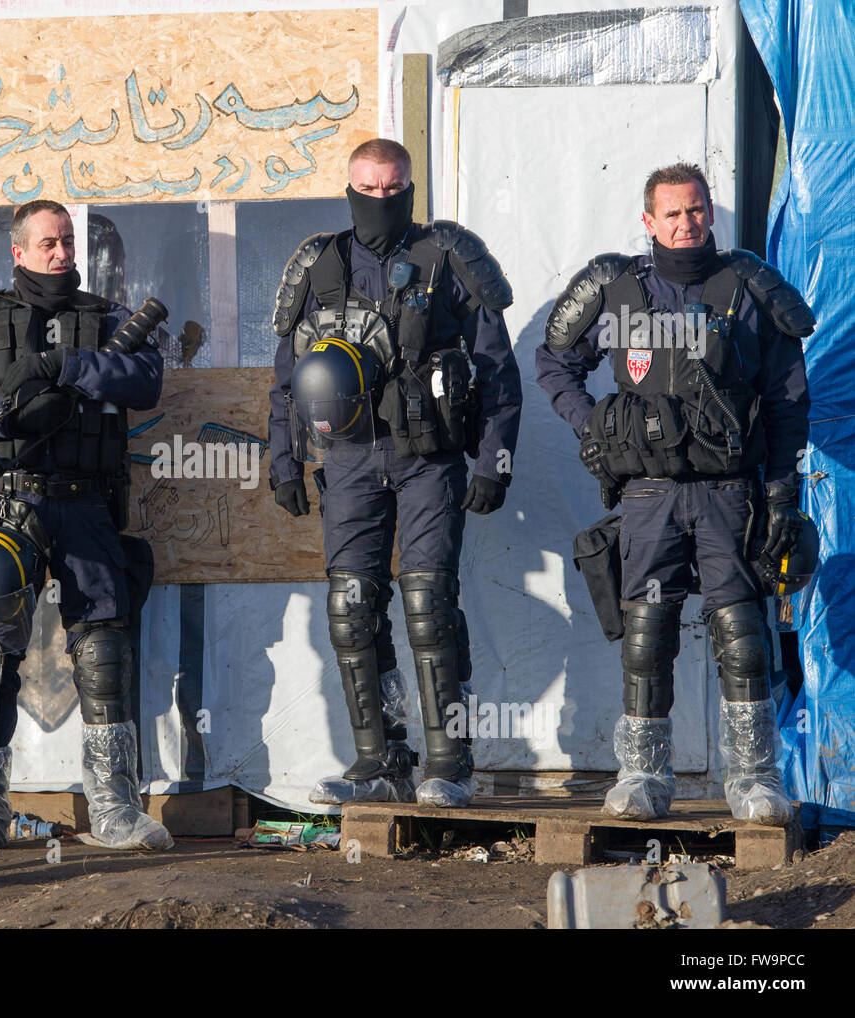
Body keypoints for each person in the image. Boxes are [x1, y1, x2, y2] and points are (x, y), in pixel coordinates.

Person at [536, 162, 813, 825]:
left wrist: (781, 494)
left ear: (709, 213)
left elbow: (786, 401)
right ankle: (643, 776)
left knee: (742, 635)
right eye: (672, 213)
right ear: (648, 221)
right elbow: (555, 361)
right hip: (649, 495)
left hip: (727, 494)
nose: (685, 223)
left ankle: (754, 781)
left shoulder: (747, 289)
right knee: (647, 633)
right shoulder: (616, 288)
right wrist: (595, 425)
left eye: (695, 210)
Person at [268, 138, 522, 808]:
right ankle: (379, 763)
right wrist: (284, 457)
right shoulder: (320, 264)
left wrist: (495, 461)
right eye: (369, 189)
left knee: (429, 606)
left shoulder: (445, 256)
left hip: (428, 459)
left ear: (410, 187)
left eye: (394, 189)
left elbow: (497, 370)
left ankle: (449, 764)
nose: (382, 199)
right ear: (348, 189)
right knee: (352, 610)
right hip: (348, 461)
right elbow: (284, 379)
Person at [0, 199, 170, 852]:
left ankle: (115, 809)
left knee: (103, 651)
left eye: (68, 243)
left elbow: (147, 380)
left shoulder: (107, 318)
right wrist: (7, 412)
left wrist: (72, 367)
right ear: (19, 252)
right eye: (49, 244)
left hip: (86, 501)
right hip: (8, 501)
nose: (62, 254)